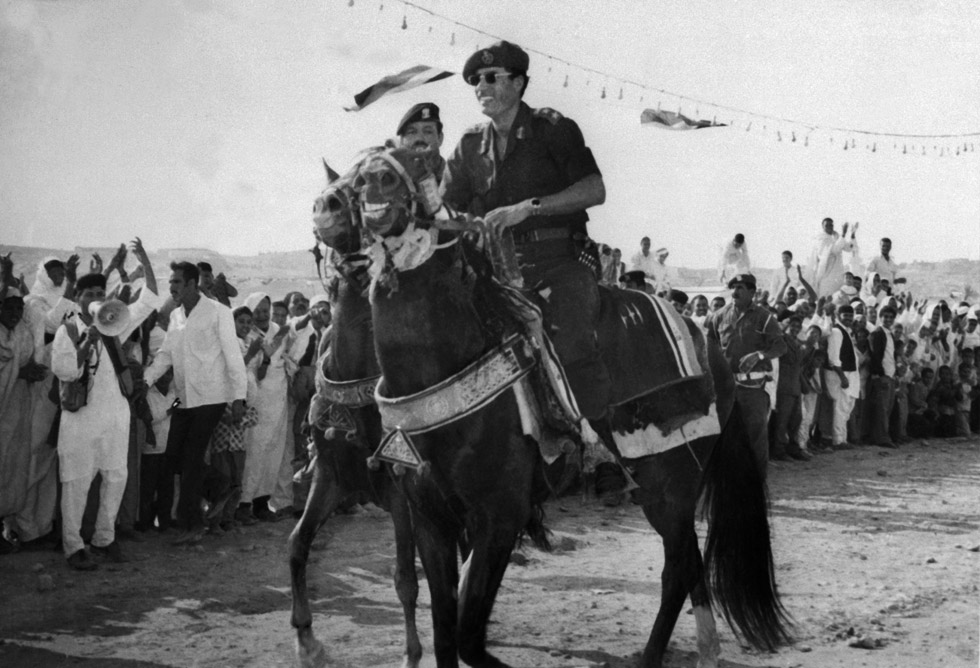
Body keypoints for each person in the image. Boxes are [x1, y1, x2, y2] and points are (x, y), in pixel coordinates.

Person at [441, 40, 611, 419]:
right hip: (493, 272)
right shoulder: (469, 146)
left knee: (572, 346)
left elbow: (594, 190)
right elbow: (445, 211)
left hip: (558, 262)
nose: (480, 87)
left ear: (518, 84)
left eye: (490, 78)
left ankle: (597, 449)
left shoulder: (553, 129)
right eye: (475, 82)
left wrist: (529, 208)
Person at [52, 239, 162, 570]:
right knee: (77, 481)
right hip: (82, 419)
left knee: (116, 477)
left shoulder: (115, 324)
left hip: (115, 416)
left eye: (101, 295)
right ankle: (73, 546)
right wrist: (87, 344)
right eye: (89, 296)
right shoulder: (68, 330)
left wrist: (144, 258)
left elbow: (150, 300)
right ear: (79, 300)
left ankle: (104, 538)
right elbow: (66, 371)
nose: (96, 301)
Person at [143, 261, 248, 546]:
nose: (172, 288)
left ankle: (191, 524)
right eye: (171, 284)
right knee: (172, 456)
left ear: (191, 284)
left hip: (212, 397)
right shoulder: (176, 316)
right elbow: (165, 354)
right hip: (183, 399)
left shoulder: (218, 312)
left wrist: (239, 397)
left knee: (190, 460)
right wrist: (146, 379)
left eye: (177, 283)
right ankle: (219, 486)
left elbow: (233, 356)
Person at [14, 255, 80, 547]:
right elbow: (51, 324)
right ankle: (24, 526)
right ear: (43, 272)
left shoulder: (68, 300)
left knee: (52, 458)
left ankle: (43, 525)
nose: (57, 274)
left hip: (62, 385)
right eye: (53, 270)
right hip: (40, 386)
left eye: (61, 271)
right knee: (34, 455)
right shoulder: (33, 302)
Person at [705, 274, 786, 479]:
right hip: (725, 389)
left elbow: (780, 346)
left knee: (755, 437)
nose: (735, 292)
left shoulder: (764, 316)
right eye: (733, 287)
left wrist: (760, 355)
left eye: (740, 287)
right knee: (723, 435)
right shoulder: (719, 316)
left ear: (752, 292)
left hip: (753, 389)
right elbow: (710, 347)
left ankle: (756, 482)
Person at [238, 292, 291, 523]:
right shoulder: (245, 334)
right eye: (257, 310)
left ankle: (262, 503)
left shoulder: (279, 330)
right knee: (254, 451)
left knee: (273, 451)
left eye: (265, 310)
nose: (261, 315)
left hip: (278, 400)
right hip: (256, 399)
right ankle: (244, 503)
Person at [0, 286, 46, 553]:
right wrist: (20, 371)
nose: (15, 313)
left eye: (19, 308)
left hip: (16, 410)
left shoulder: (23, 333)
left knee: (11, 467)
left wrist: (30, 372)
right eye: (9, 307)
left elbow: (23, 362)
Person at [771, 315, 812, 461]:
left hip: (795, 386)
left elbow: (798, 366)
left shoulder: (796, 343)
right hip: (783, 385)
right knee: (782, 420)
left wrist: (803, 384)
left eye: (797, 326)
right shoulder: (781, 341)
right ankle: (779, 450)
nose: (795, 329)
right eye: (792, 326)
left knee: (796, 419)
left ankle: (793, 448)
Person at [825, 304, 860, 450]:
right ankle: (838, 440)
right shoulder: (836, 332)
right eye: (845, 315)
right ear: (839, 316)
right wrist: (842, 377)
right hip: (841, 375)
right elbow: (833, 358)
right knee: (840, 408)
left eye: (851, 316)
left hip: (849, 374)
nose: (848, 318)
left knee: (846, 408)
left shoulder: (846, 331)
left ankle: (843, 439)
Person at [867, 305, 898, 447]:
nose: (888, 319)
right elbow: (875, 356)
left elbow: (890, 356)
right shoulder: (877, 333)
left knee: (887, 408)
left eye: (891, 317)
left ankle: (881, 437)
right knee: (882, 409)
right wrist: (880, 375)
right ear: (881, 317)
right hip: (882, 375)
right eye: (885, 316)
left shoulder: (889, 334)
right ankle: (882, 439)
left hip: (890, 375)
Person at [807, 218, 858, 298]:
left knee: (838, 298)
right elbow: (835, 250)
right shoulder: (821, 239)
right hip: (827, 275)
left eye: (831, 225)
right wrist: (843, 234)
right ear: (823, 227)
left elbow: (849, 248)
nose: (830, 227)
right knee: (826, 299)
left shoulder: (836, 236)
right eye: (827, 225)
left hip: (838, 274)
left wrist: (852, 234)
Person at [397, 102, 447, 181]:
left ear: (440, 138)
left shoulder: (458, 177)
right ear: (401, 140)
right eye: (412, 132)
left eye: (428, 132)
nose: (419, 138)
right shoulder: (392, 183)